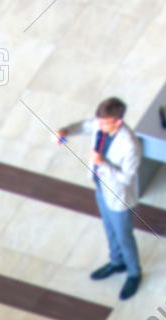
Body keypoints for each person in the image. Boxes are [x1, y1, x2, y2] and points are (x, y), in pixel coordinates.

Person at [58, 95, 143, 299]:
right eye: (99, 121)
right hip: (100, 187)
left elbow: (126, 178)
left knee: (124, 235)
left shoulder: (130, 145)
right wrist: (65, 131)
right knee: (109, 228)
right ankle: (116, 262)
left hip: (117, 194)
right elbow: (85, 126)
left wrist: (102, 162)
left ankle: (134, 272)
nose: (99, 125)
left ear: (118, 121)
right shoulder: (100, 126)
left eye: (105, 122)